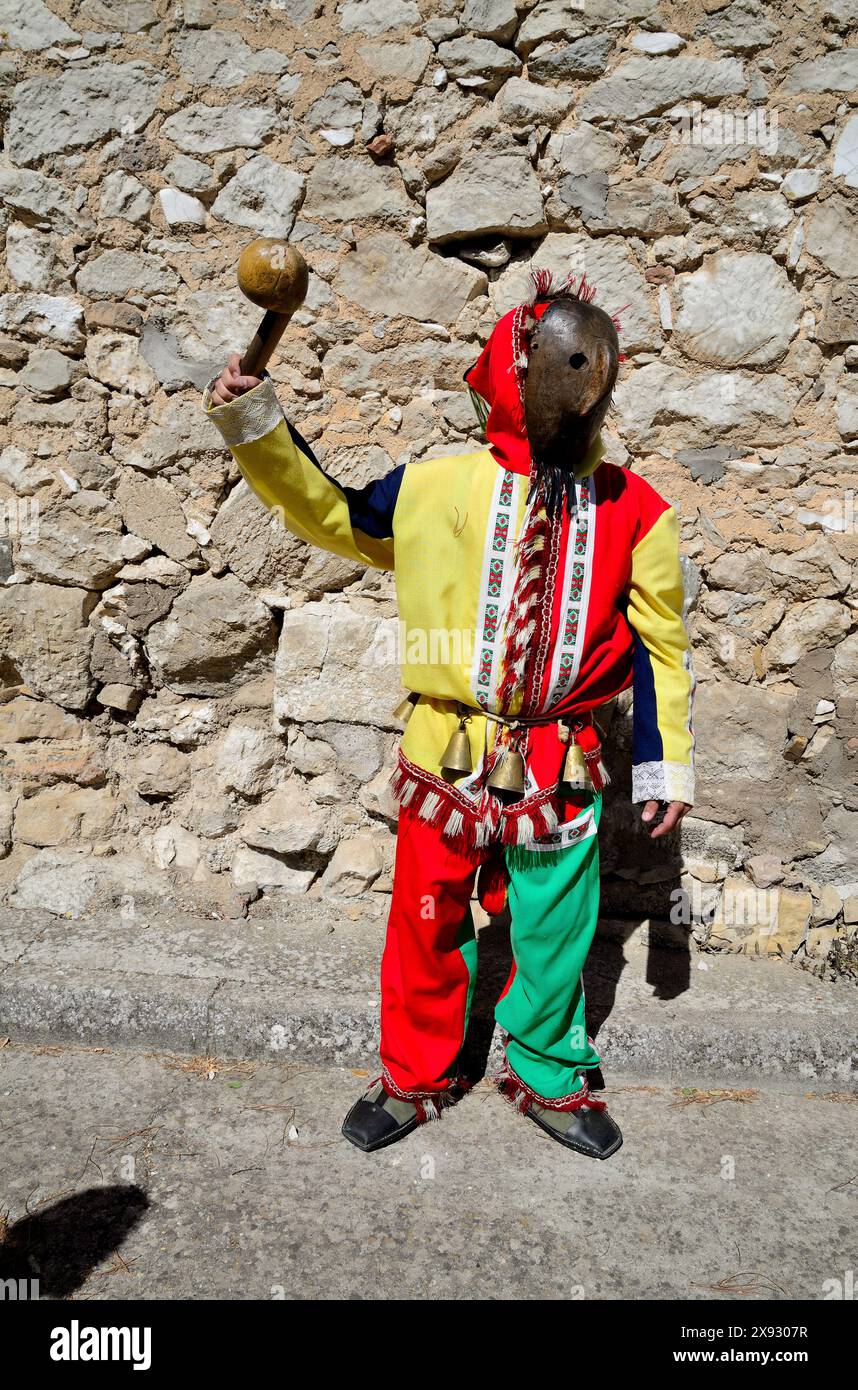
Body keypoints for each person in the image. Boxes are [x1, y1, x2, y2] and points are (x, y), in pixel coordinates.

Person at [204, 268, 695, 1160]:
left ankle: (547, 1071)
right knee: (427, 914)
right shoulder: (431, 487)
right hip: (447, 752)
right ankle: (416, 1073)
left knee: (553, 927)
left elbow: (662, 649)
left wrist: (664, 768)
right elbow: (332, 512)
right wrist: (258, 424)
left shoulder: (639, 511)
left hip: (564, 764)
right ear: (512, 378)